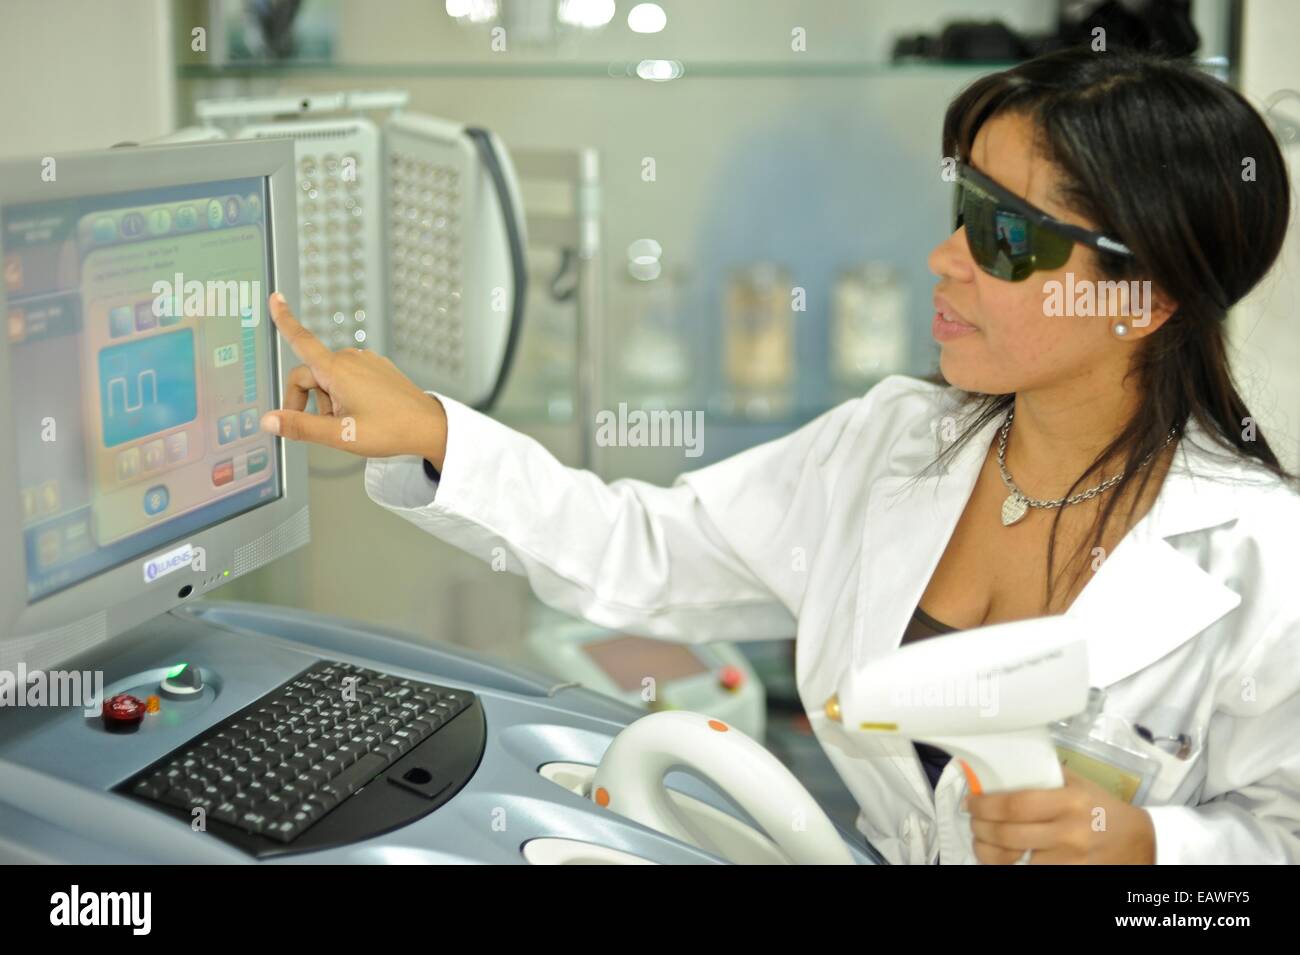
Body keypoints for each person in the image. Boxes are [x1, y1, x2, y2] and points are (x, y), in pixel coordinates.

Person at [259, 47, 1300, 864]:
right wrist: (433, 432)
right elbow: (644, 553)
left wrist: (1157, 848)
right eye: (959, 209)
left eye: (1002, 236)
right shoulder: (894, 442)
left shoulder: (1261, 558)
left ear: (1142, 295)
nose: (941, 258)